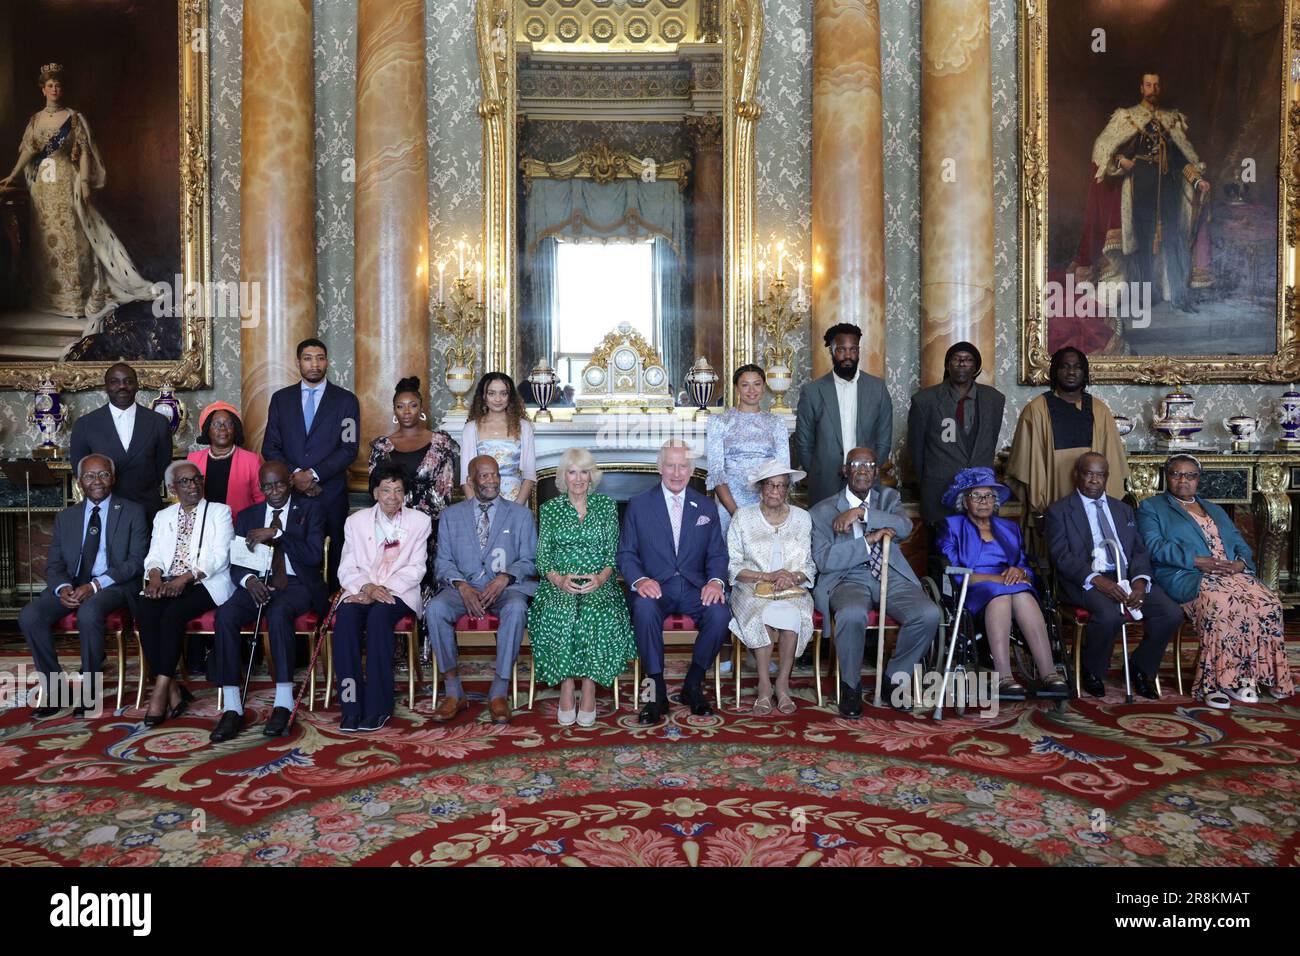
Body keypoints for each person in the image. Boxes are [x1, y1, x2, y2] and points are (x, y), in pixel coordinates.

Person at [0, 63, 156, 338]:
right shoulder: (36, 120)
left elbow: (83, 152)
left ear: (63, 89)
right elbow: (28, 150)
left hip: (66, 182)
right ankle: (51, 298)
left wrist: (84, 183)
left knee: (72, 237)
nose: (54, 90)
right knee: (45, 239)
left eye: (58, 85)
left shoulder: (73, 118)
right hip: (42, 188)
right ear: (43, 89)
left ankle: (74, 299)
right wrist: (12, 175)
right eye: (50, 86)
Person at [1136, 455, 1294, 709]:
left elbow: (1240, 545)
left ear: (1199, 479)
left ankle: (1247, 678)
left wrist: (1240, 564)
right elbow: (1154, 547)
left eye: (1190, 475)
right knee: (1222, 605)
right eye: (1177, 474)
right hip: (1188, 573)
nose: (1183, 480)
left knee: (1269, 603)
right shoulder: (1152, 507)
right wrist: (1198, 561)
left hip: (1230, 573)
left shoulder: (1214, 509)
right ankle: (1215, 683)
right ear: (1167, 477)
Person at [810, 446, 940, 717]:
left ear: (876, 471)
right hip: (847, 579)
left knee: (928, 614)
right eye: (856, 464)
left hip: (889, 575)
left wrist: (861, 514)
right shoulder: (821, 511)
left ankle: (893, 678)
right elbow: (825, 560)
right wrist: (869, 539)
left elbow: (903, 528)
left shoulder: (888, 499)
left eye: (869, 465)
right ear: (845, 470)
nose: (862, 470)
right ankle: (851, 686)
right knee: (851, 613)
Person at [1045, 452, 1183, 699]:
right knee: (1109, 615)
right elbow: (1061, 556)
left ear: (1107, 477)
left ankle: (1140, 668)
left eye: (1100, 475)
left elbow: (1139, 550)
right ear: (1077, 474)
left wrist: (1140, 581)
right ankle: (1093, 671)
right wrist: (1097, 580)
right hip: (1087, 579)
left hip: (1126, 576)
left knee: (1170, 612)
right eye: (1088, 473)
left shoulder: (1123, 509)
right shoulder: (1060, 511)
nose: (1094, 480)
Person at [20, 454, 148, 718]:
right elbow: (54, 564)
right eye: (89, 476)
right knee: (30, 615)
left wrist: (95, 586)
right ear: (80, 482)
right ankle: (56, 689)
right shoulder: (67, 517)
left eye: (103, 474)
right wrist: (62, 587)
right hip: (74, 584)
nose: (97, 481)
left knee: (90, 611)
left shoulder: (132, 511)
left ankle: (91, 691)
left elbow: (136, 562)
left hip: (114, 585)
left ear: (113, 478)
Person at [209, 461, 328, 742]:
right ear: (260, 488)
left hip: (296, 583)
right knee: (224, 616)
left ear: (289, 483)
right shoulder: (249, 516)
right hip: (255, 584)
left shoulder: (310, 510)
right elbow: (235, 563)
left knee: (278, 613)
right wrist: (248, 581)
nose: (274, 491)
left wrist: (278, 534)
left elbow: (313, 556)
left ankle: (283, 701)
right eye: (267, 486)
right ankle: (232, 706)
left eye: (280, 484)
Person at [617, 439, 730, 724]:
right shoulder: (639, 505)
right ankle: (654, 692)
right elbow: (626, 553)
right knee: (643, 610)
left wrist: (715, 581)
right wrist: (640, 580)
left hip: (694, 588)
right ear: (660, 468)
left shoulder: (705, 505)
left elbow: (717, 553)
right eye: (670, 465)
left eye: (683, 466)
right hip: (656, 586)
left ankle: (693, 684)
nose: (677, 473)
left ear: (692, 470)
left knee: (720, 613)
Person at [1081, 73, 1211, 317]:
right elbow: (1105, 148)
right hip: (1139, 187)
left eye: (1157, 84)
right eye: (1148, 85)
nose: (1153, 89)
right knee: (1140, 244)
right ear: (1141, 88)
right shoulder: (1128, 117)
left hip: (1169, 189)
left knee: (1174, 241)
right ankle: (1144, 298)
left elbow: (1182, 158)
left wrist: (1197, 180)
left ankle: (1180, 298)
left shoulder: (1172, 120)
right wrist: (1121, 160)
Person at [937, 467, 1068, 700]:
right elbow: (956, 572)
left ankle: (1049, 673)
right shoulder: (952, 526)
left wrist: (1019, 571)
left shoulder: (1010, 528)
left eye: (989, 496)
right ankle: (1004, 677)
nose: (984, 501)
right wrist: (998, 579)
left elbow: (1024, 565)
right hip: (974, 587)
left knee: (1023, 595)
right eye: (976, 496)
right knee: (1001, 593)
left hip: (1011, 584)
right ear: (964, 501)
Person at [426, 456, 538, 726]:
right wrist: (461, 586)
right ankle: (454, 692)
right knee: (435, 608)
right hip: (463, 588)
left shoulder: (521, 514)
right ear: (471, 480)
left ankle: (499, 692)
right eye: (484, 476)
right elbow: (442, 563)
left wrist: (505, 577)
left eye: (495, 475)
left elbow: (530, 559)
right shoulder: (451, 515)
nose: (492, 481)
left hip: (505, 589)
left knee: (516, 608)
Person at [526, 448, 635, 727]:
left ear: (591, 476)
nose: (578, 478)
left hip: (600, 582)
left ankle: (588, 687)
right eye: (572, 472)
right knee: (558, 615)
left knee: (596, 616)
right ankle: (566, 686)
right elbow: (542, 558)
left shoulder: (607, 506)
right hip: (558, 584)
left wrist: (599, 578)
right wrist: (560, 580)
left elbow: (614, 553)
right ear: (564, 476)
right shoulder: (551, 509)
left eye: (583, 471)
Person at [332, 464, 432, 732]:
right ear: (375, 492)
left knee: (378, 619)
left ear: (405, 495)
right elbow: (346, 568)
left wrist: (381, 590)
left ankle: (378, 707)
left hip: (399, 591)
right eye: (386, 490)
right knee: (345, 620)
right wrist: (366, 588)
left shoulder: (419, 522)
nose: (392, 496)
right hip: (360, 589)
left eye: (398, 491)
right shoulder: (355, 522)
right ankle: (350, 705)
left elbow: (416, 568)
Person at [136, 462, 235, 727]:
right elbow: (154, 553)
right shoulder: (163, 516)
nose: (193, 486)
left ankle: (161, 690)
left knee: (173, 614)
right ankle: (173, 688)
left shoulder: (219, 512)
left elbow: (219, 557)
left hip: (206, 583)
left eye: (196, 479)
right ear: (172, 488)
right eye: (185, 482)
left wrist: (184, 579)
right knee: (144, 608)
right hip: (168, 581)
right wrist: (155, 578)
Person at [262, 338, 361, 591]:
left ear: (327, 361)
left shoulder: (346, 401)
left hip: (330, 494)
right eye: (308, 358)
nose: (314, 364)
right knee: (294, 552)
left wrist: (314, 475)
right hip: (291, 495)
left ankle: (332, 614)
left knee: (334, 555)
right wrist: (296, 475)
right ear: (298, 362)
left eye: (320, 358)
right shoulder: (280, 400)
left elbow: (349, 449)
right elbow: (270, 447)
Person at [726, 460, 816, 715]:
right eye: (770, 485)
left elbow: (808, 564)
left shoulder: (802, 518)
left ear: (788, 489)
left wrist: (794, 577)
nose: (775, 491)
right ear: (760, 488)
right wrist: (766, 576)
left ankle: (783, 685)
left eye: (781, 486)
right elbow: (733, 567)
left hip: (792, 589)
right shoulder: (743, 517)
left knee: (794, 616)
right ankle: (764, 686)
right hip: (751, 587)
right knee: (761, 616)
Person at [1006, 346, 1128, 524]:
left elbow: (1114, 465)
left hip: (1094, 508)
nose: (1071, 372)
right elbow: (1023, 467)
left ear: (1084, 373)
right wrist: (1039, 509)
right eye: (1064, 366)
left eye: (1077, 367)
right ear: (1054, 371)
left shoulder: (1100, 410)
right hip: (1049, 502)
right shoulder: (1036, 410)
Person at [366, 376, 458, 610]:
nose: (407, 411)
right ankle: (395, 643)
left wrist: (420, 523)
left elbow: (445, 492)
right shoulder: (382, 446)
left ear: (421, 408)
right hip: (390, 531)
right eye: (400, 406)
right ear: (394, 410)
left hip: (431, 530)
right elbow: (375, 489)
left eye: (413, 405)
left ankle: (425, 645)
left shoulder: (441, 443)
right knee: (391, 587)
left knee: (427, 586)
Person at [906, 342, 1005, 527]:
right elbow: (916, 450)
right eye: (956, 359)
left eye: (968, 360)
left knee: (981, 552)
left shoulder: (995, 399)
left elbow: (990, 441)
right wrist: (928, 484)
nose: (962, 363)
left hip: (981, 495)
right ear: (947, 365)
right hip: (938, 494)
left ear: (975, 367)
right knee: (939, 553)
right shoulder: (924, 401)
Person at [794, 322, 893, 508]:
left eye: (853, 349)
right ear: (831, 351)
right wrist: (820, 471)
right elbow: (803, 443)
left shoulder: (877, 389)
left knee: (865, 534)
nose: (848, 355)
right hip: (825, 484)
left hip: (866, 483)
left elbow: (883, 440)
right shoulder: (813, 391)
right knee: (826, 534)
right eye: (841, 349)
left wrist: (866, 471)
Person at [69, 363, 173, 521]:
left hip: (147, 510)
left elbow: (162, 467)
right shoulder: (85, 425)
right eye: (115, 381)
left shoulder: (158, 422)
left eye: (128, 381)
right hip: (104, 511)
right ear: (106, 387)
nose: (122, 386)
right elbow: (81, 470)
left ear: (137, 385)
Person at [706, 364, 791, 537]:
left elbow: (783, 472)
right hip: (730, 500)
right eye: (745, 385)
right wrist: (735, 512)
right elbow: (716, 472)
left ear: (764, 387)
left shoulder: (777, 423)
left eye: (757, 384)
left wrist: (771, 505)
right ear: (736, 388)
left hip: (767, 500)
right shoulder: (719, 422)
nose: (751, 390)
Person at [460, 372, 536, 505]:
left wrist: (516, 510)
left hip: (516, 501)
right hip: (481, 500)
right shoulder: (470, 429)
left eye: (503, 393)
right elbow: (465, 478)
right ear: (483, 396)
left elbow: (529, 475)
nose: (498, 399)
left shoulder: (524, 427)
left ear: (510, 396)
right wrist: (478, 510)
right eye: (492, 393)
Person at [187, 402, 264, 518]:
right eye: (216, 424)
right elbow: (186, 498)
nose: (223, 428)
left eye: (229, 424)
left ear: (235, 429)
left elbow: (261, 501)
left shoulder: (251, 460)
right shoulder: (193, 459)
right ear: (207, 429)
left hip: (239, 528)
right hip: (202, 528)